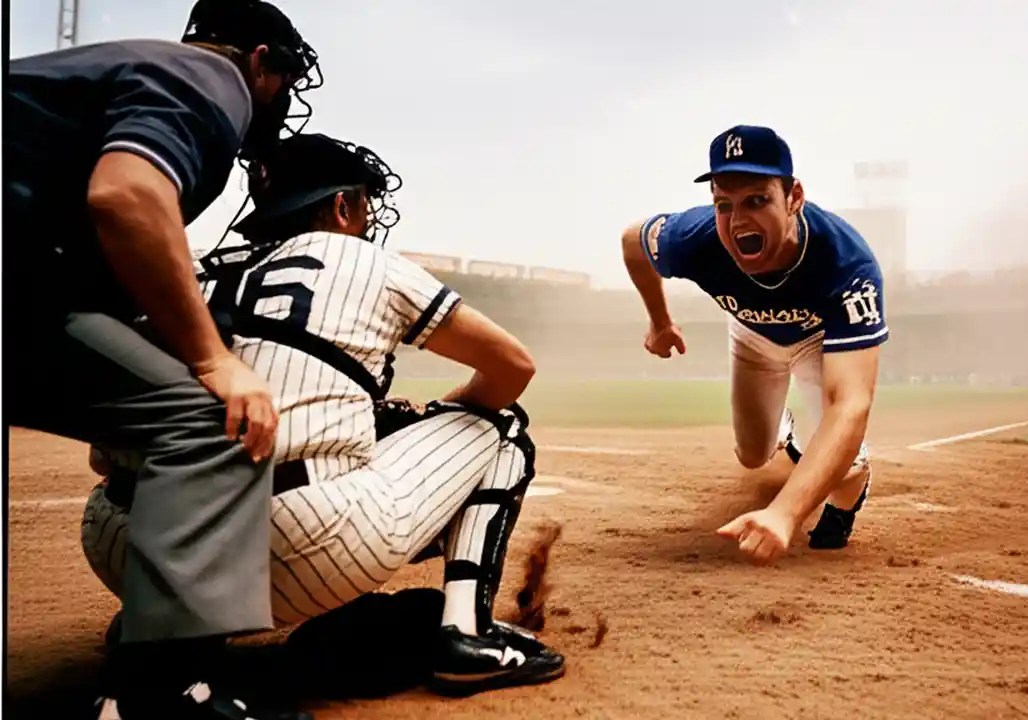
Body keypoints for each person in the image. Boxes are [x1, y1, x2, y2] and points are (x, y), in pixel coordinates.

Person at [80, 132, 566, 698]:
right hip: (299, 547)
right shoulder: (359, 257)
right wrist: (441, 412)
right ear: (340, 206)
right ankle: (466, 636)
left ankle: (168, 637)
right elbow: (512, 367)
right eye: (362, 202)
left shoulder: (189, 271)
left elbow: (99, 454)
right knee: (501, 427)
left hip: (128, 552)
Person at [3, 1, 322, 717]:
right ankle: (158, 697)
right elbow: (125, 197)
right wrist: (214, 360)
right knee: (215, 423)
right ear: (262, 61)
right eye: (285, 77)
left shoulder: (121, 68)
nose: (280, 98)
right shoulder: (209, 77)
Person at [620, 125, 888, 564]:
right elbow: (634, 242)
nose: (738, 219)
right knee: (751, 455)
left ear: (794, 197)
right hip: (752, 337)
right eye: (724, 203)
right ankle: (792, 435)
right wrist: (660, 321)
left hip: (820, 343)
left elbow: (852, 403)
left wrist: (784, 513)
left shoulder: (847, 265)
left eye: (757, 200)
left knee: (846, 467)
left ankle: (843, 507)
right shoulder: (695, 238)